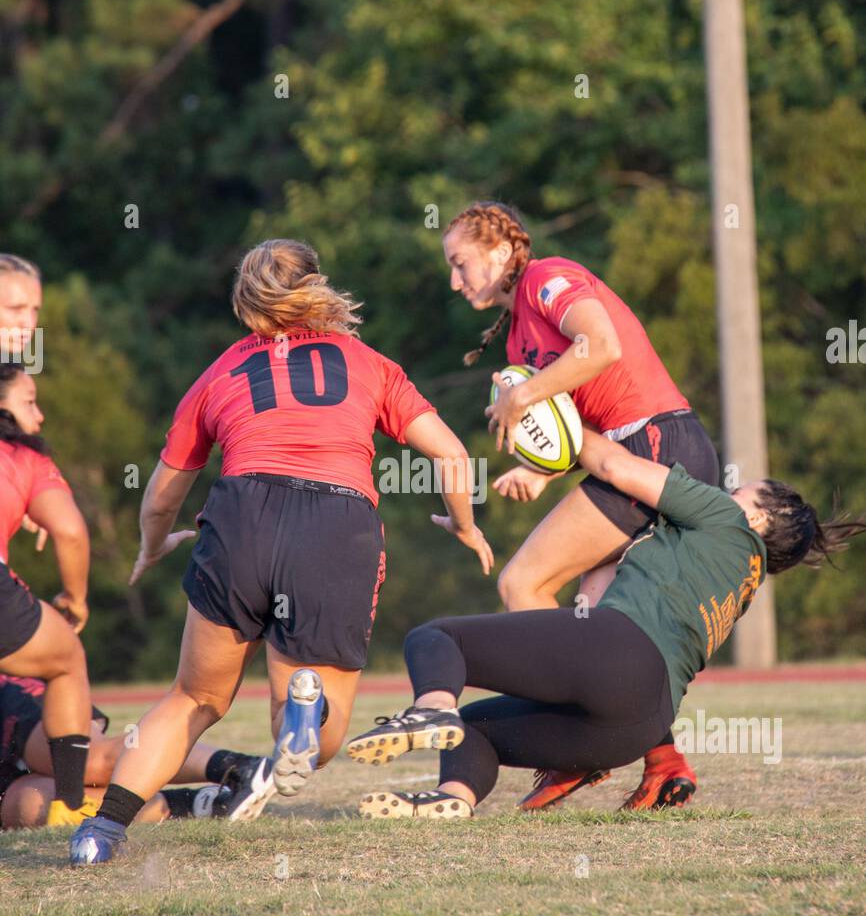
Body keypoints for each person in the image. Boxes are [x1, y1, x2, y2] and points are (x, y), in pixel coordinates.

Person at [71, 238, 493, 865]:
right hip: (337, 520)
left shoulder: (221, 370)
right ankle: (306, 706)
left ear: (247, 303)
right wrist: (464, 524)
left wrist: (152, 546)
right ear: (317, 287)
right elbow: (452, 455)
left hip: (242, 512)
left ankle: (99, 834)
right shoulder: (368, 362)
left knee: (194, 697)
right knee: (314, 742)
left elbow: (163, 493)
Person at [347, 425, 866, 818]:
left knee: (436, 639)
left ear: (757, 518)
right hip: (638, 727)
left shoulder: (724, 519)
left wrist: (556, 423)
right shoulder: (745, 581)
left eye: (740, 493)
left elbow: (615, 465)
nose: (728, 495)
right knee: (475, 728)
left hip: (621, 653)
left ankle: (431, 710)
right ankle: (450, 801)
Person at [443, 200, 720, 810]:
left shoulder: (546, 276)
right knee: (598, 620)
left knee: (523, 583)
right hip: (646, 449)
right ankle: (664, 762)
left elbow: (602, 347)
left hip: (655, 444)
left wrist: (522, 399)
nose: (455, 281)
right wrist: (541, 472)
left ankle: (571, 751)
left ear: (498, 250)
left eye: (461, 264)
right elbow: (574, 422)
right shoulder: (517, 328)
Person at [0, 362, 97, 826]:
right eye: (29, 401)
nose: (37, 417)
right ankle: (71, 806)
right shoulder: (23, 455)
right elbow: (72, 533)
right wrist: (75, 600)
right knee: (66, 659)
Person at [0, 674, 267, 828]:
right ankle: (198, 803)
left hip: (10, 697)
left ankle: (240, 768)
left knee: (90, 761)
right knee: (30, 805)